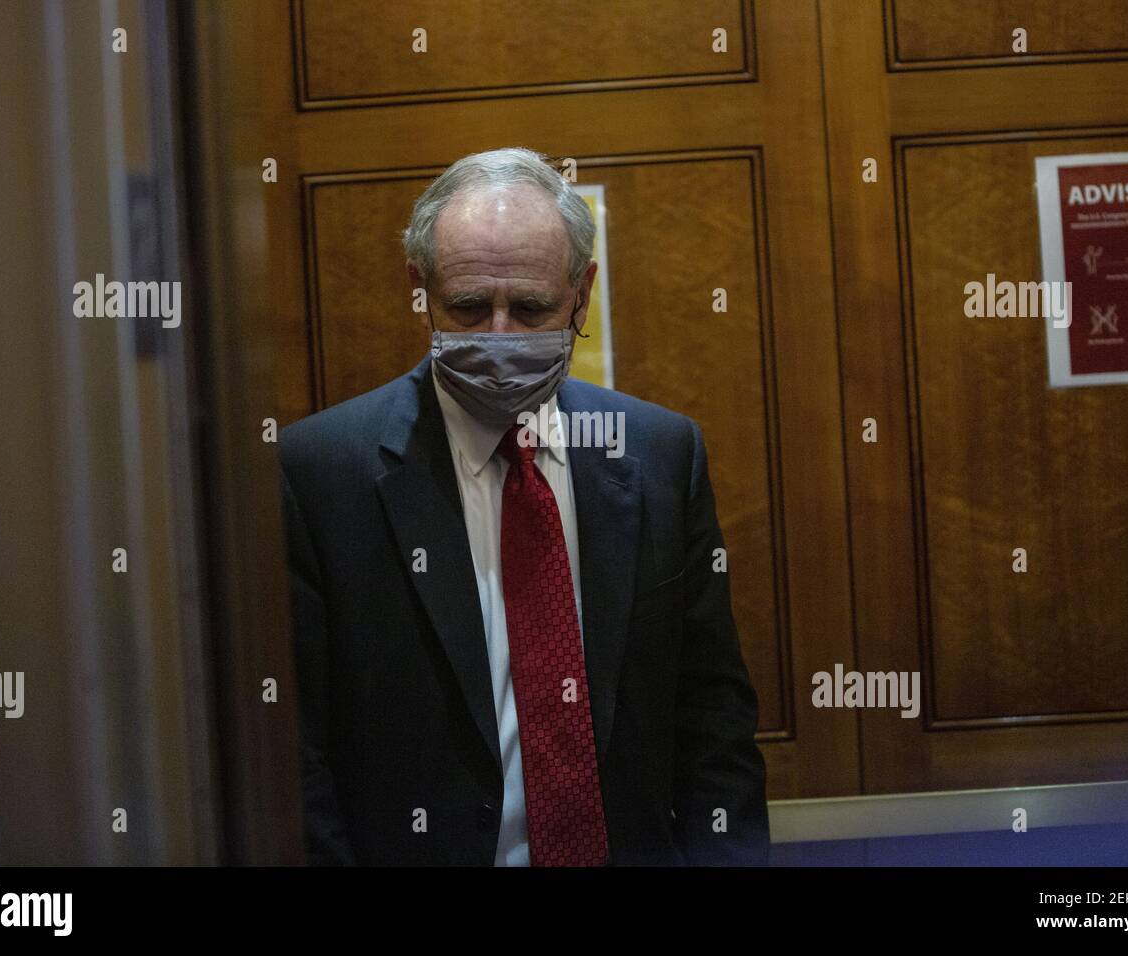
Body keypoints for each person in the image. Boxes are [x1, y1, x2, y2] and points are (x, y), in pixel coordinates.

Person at [279, 146, 769, 866]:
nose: (499, 338)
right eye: (469, 307)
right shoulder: (319, 473)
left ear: (582, 292)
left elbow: (714, 720)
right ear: (420, 289)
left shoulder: (662, 453)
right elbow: (295, 753)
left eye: (532, 309)